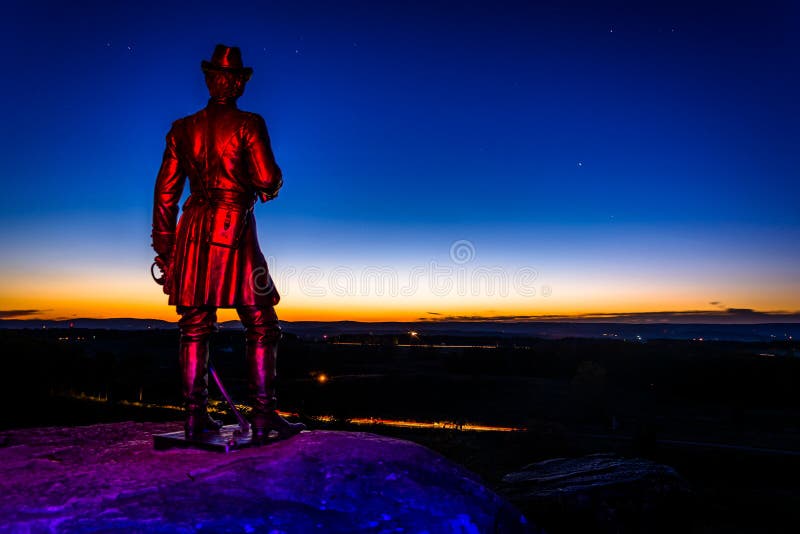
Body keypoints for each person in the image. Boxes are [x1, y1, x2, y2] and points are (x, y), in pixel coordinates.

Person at [151, 44, 304, 442]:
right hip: (234, 228)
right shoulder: (249, 124)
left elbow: (166, 194)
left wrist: (165, 249)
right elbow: (268, 179)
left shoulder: (182, 128)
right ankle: (264, 415)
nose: (231, 82)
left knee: (195, 325)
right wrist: (269, 183)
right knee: (261, 322)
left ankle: (194, 418)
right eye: (232, 77)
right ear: (235, 83)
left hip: (192, 231)